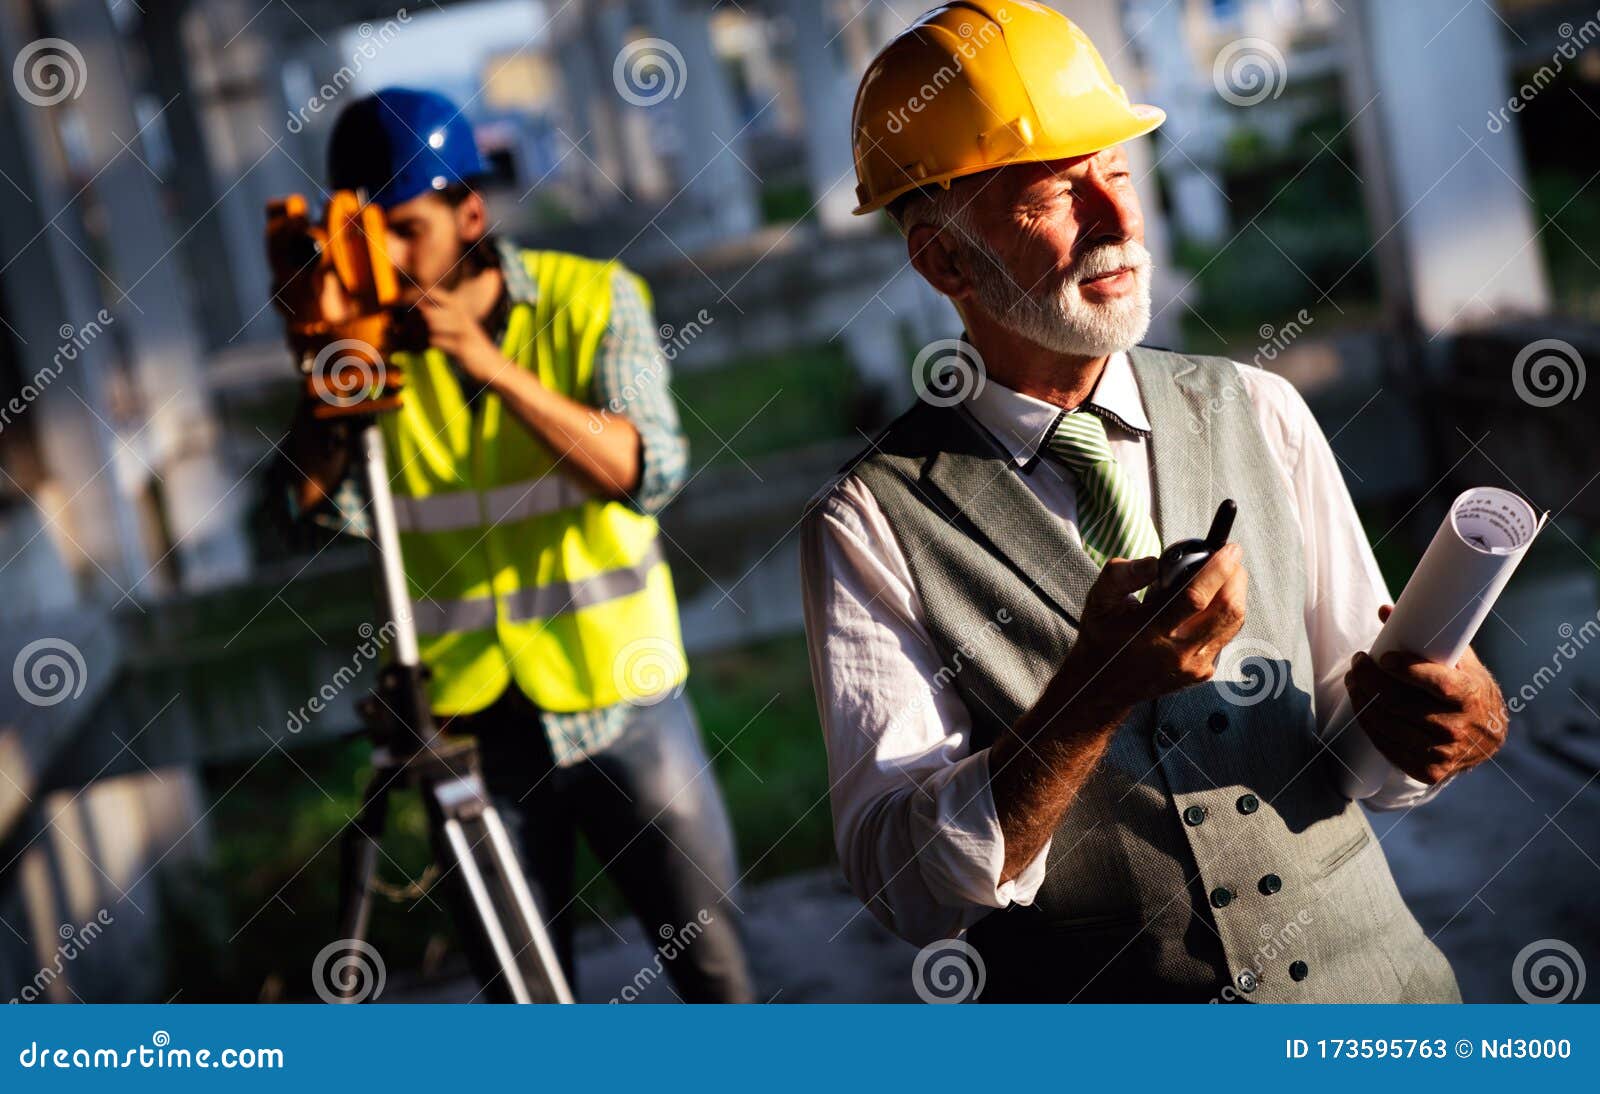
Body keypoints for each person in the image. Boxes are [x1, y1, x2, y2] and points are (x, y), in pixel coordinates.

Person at [801, 1, 1507, 1002]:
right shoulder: (868, 521)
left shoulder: (1256, 409)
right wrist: (1090, 689)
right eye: (1054, 192)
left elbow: (1362, 746)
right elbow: (908, 888)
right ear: (943, 260)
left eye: (1119, 174)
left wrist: (1438, 723)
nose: (1120, 221)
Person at [272, 87, 752, 1003]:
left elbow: (647, 471)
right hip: (468, 730)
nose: (391, 258)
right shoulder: (361, 350)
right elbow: (307, 513)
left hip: (624, 702)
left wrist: (489, 368)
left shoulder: (592, 298)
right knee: (526, 1007)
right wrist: (323, 370)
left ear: (471, 213)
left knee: (716, 979)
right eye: (366, 234)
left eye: (407, 228)